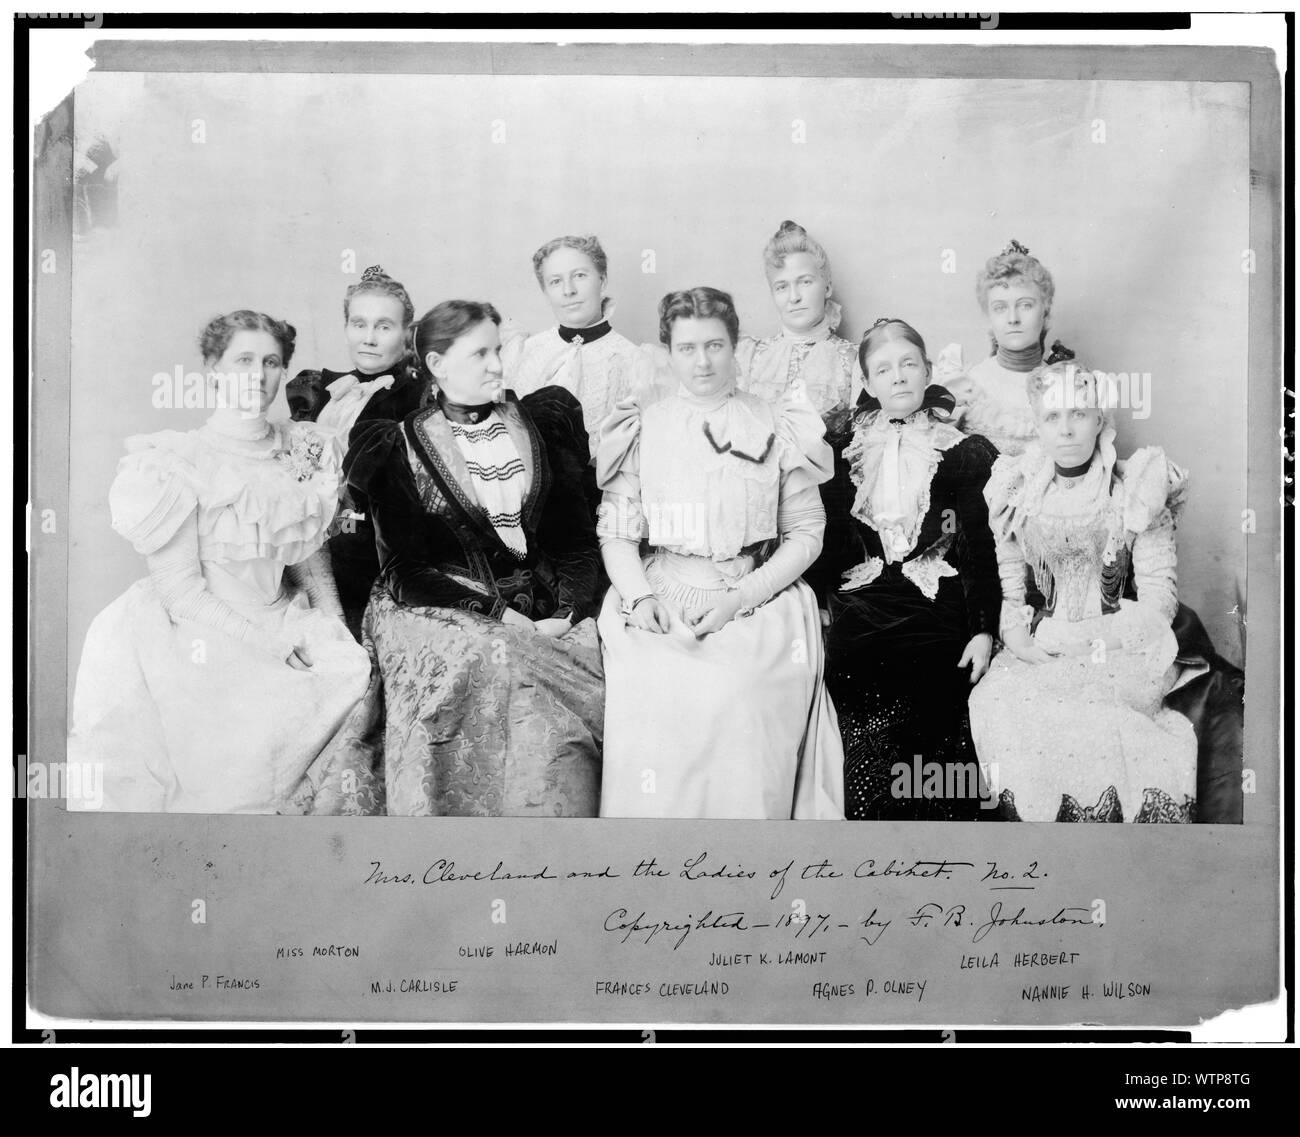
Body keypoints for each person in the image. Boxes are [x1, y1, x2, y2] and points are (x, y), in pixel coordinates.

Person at [67, 311, 370, 812]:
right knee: (240, 764)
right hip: (203, 630)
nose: (258, 375)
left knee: (351, 679)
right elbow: (181, 593)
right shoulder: (176, 460)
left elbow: (309, 556)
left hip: (284, 612)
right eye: (243, 360)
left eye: (271, 362)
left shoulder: (307, 446)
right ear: (213, 369)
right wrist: (269, 647)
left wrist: (336, 628)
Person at [314, 299, 604, 817]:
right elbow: (405, 570)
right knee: (486, 658)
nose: (497, 365)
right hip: (436, 604)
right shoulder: (398, 443)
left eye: (497, 351)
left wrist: (566, 611)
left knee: (573, 672)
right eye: (479, 355)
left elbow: (577, 543)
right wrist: (501, 616)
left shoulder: (541, 421)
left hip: (548, 606)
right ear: (437, 365)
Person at [596, 286, 843, 819]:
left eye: (714, 345)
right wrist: (639, 598)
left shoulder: (777, 422)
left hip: (754, 597)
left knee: (738, 695)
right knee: (652, 696)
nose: (702, 361)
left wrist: (741, 597)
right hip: (659, 593)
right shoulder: (646, 426)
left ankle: (745, 865)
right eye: (687, 348)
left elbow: (807, 531)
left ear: (736, 346)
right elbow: (616, 533)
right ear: (670, 352)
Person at [967, 359, 1198, 822]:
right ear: (1037, 425)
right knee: (998, 702)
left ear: (1100, 420)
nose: (1067, 429)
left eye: (1078, 414)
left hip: (1122, 645)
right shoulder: (1015, 490)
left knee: (1096, 719)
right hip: (1045, 644)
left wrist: (1097, 639)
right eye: (1052, 417)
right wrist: (1018, 641)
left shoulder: (1136, 486)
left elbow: (1159, 600)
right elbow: (1013, 592)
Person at [807, 318, 1001, 821]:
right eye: (884, 369)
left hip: (936, 597)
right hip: (865, 599)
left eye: (909, 364)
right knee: (856, 683)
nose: (898, 377)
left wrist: (984, 631)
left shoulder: (960, 452)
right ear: (867, 383)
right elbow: (823, 538)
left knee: (935, 691)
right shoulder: (843, 446)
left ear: (927, 370)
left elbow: (979, 548)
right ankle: (872, 827)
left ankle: (934, 830)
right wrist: (819, 603)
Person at [286, 265, 428, 639]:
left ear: (406, 333)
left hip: (368, 548)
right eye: (358, 324)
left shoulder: (417, 400)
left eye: (384, 326)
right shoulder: (319, 389)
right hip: (305, 534)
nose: (369, 338)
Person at [502, 234, 661, 461]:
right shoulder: (526, 352)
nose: (569, 290)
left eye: (579, 276)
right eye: (555, 281)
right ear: (545, 291)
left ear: (602, 280)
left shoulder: (634, 360)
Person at [736, 220, 862, 421]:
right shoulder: (751, 357)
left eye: (805, 282)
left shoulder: (854, 360)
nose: (794, 297)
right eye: (782, 287)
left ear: (827, 287)